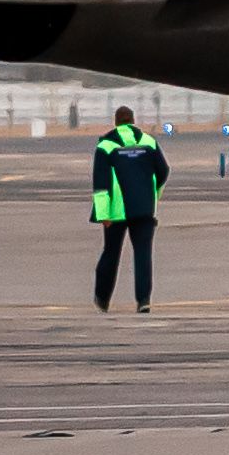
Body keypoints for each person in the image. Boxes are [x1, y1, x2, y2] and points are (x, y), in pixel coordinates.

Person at [87, 108, 167, 309]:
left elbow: (100, 184)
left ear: (116, 122)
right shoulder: (148, 142)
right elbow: (163, 171)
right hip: (144, 209)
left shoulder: (106, 145)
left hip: (116, 213)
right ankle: (143, 300)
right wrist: (154, 195)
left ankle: (102, 299)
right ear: (133, 121)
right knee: (143, 254)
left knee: (111, 253)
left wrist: (103, 214)